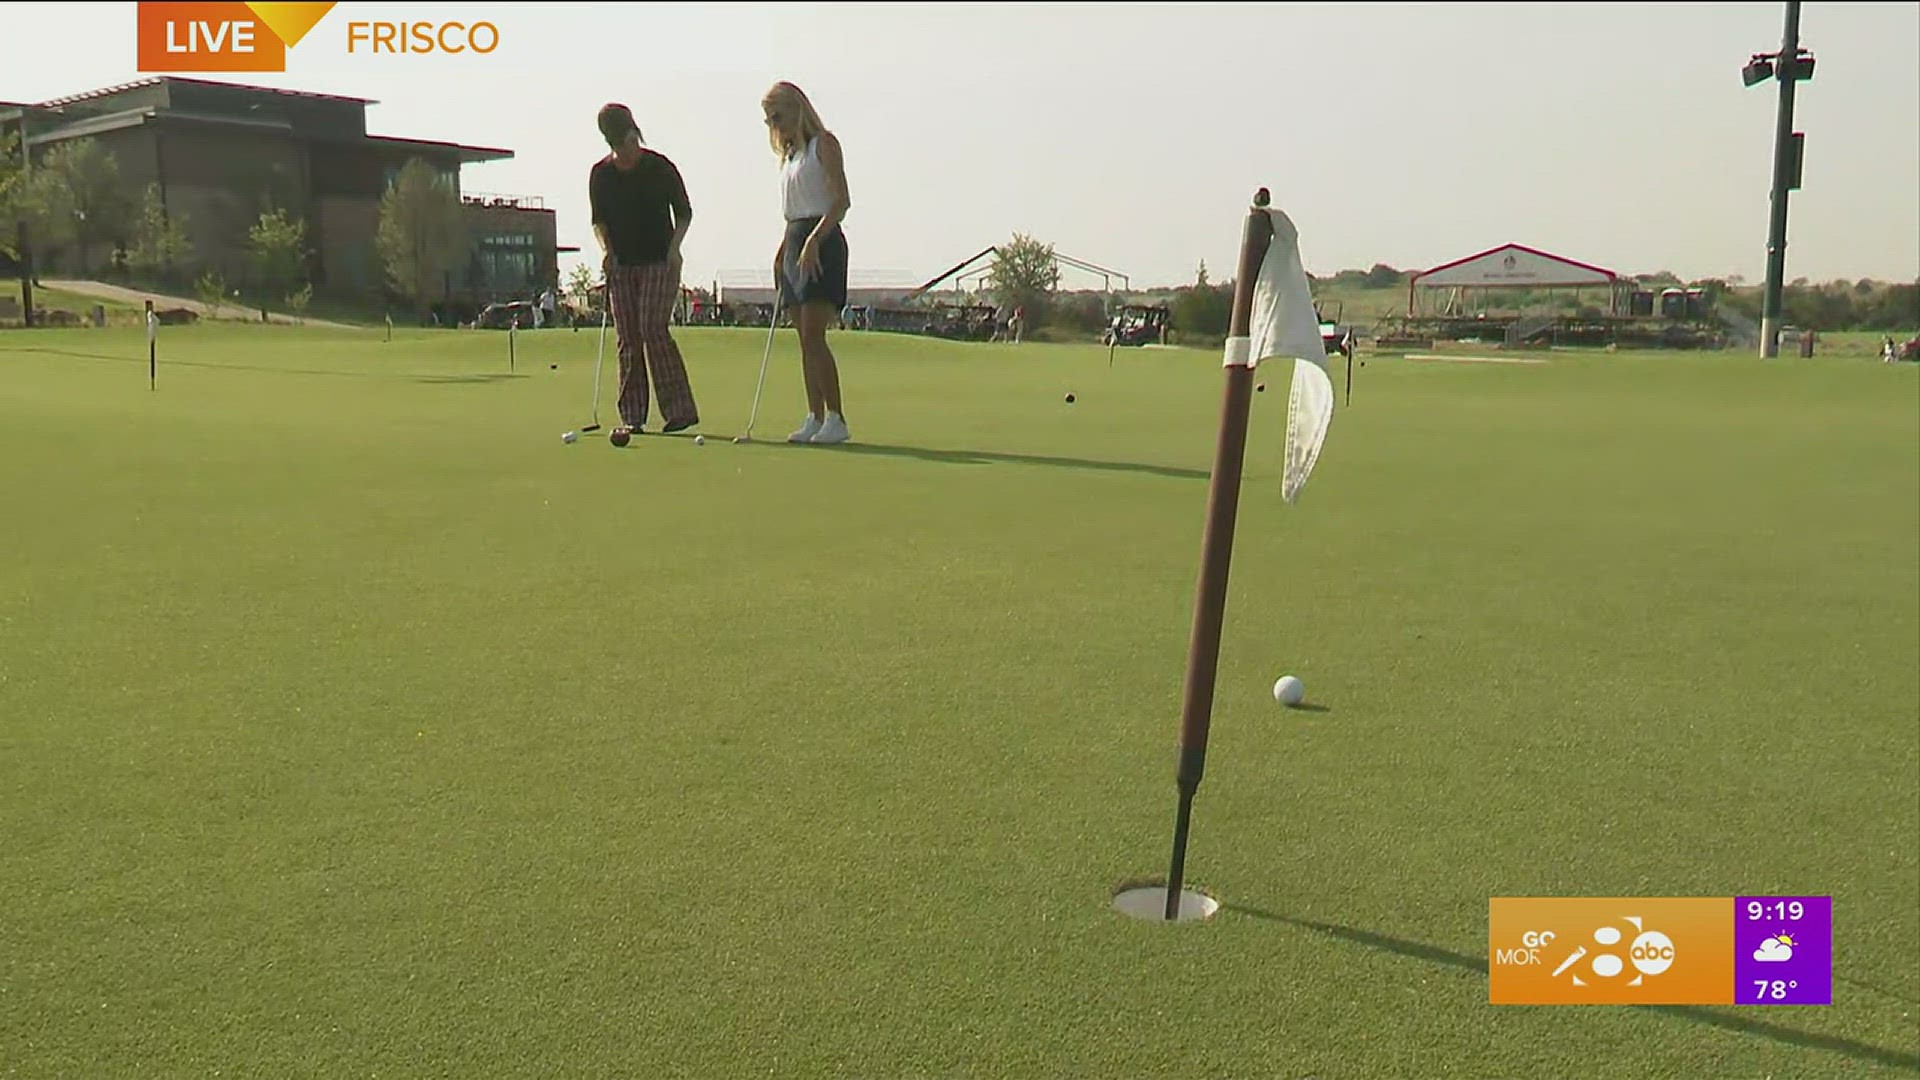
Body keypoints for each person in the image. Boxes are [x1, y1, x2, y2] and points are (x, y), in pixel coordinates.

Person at [588, 103, 699, 435]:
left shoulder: (659, 168)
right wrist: (606, 250)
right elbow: (599, 221)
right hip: (621, 264)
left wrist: (675, 248)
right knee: (628, 337)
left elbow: (683, 213)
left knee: (652, 328)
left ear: (635, 133)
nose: (626, 150)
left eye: (630, 141)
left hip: (659, 260)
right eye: (619, 145)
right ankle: (632, 415)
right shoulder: (601, 174)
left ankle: (679, 411)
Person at [763, 81, 853, 444]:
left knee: (815, 335)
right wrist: (784, 250)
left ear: (796, 109)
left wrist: (815, 239)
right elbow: (792, 212)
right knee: (802, 337)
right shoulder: (789, 157)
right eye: (769, 119)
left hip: (823, 240)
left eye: (778, 115)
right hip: (795, 241)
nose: (774, 124)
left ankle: (836, 417)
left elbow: (841, 201)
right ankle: (815, 416)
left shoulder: (824, 145)